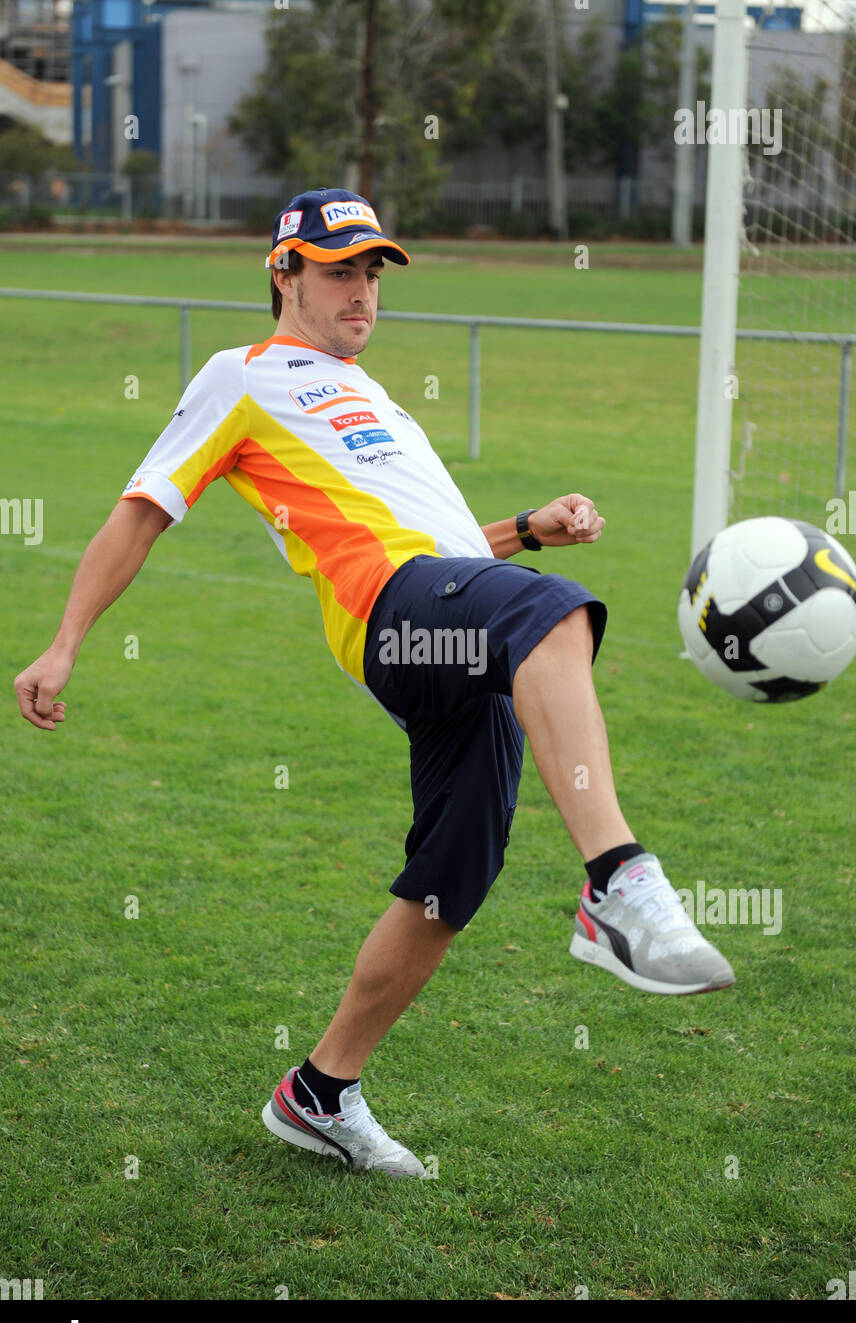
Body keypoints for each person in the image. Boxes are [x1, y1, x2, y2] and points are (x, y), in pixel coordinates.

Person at [14, 187, 734, 1179]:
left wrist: (523, 528)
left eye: (370, 270)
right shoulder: (243, 376)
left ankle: (318, 1093)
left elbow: (438, 550)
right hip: (387, 620)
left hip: (434, 609)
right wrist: (64, 643)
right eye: (336, 268)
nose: (360, 290)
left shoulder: (375, 394)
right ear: (284, 272)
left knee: (453, 874)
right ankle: (618, 884)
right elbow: (141, 512)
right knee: (547, 608)